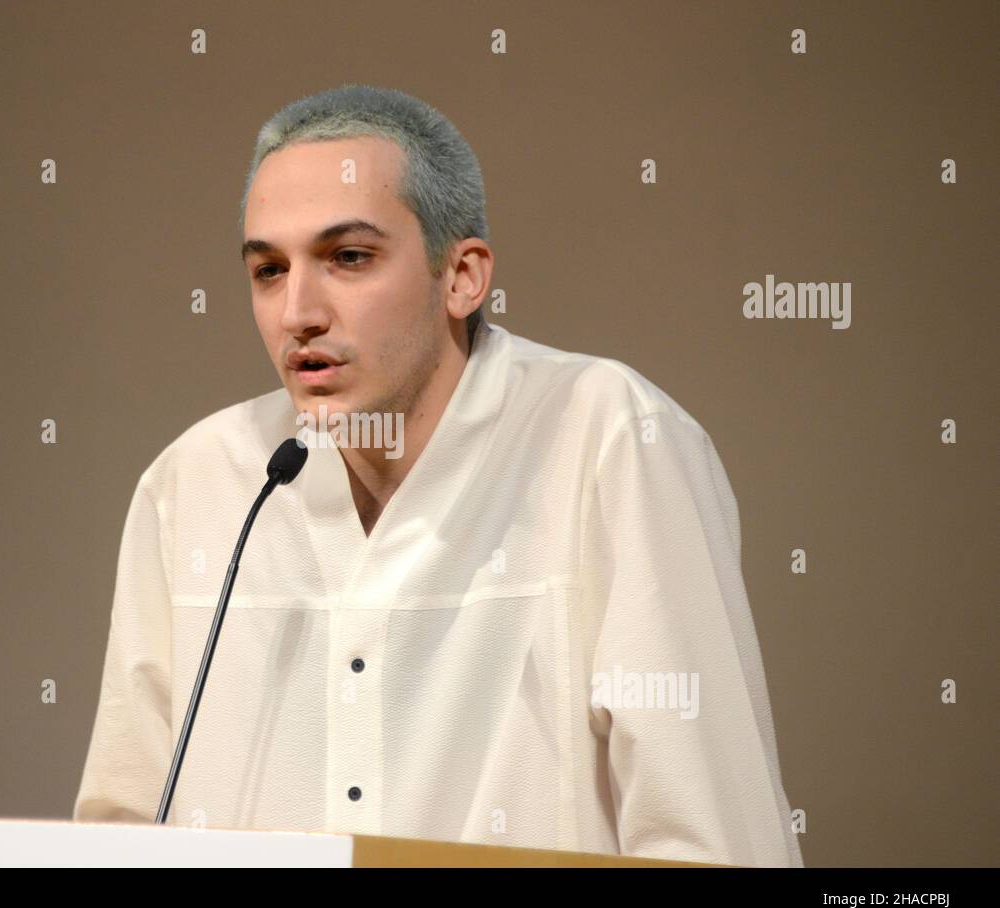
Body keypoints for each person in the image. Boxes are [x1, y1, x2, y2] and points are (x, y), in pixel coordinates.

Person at [73, 84, 803, 866]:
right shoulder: (192, 482)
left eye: (347, 257)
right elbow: (118, 833)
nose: (298, 312)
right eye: (268, 270)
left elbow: (713, 839)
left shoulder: (609, 438)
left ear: (462, 276)